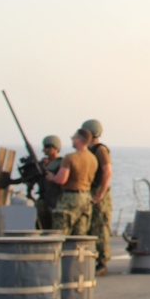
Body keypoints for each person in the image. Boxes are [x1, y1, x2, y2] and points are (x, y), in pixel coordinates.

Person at [47, 128, 98, 236]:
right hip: (86, 198)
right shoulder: (93, 159)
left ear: (79, 139)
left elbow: (61, 179)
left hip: (70, 198)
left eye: (73, 138)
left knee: (60, 232)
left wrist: (51, 177)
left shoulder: (70, 158)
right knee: (79, 234)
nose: (72, 140)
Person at [82, 118, 113, 276]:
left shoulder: (100, 150)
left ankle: (102, 262)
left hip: (99, 193)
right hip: (89, 191)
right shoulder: (87, 150)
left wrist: (100, 193)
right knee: (89, 226)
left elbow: (107, 172)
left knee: (100, 227)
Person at [34, 135, 63, 229]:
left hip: (56, 202)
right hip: (44, 201)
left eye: (46, 147)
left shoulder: (61, 163)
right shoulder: (42, 164)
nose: (44, 150)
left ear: (54, 148)